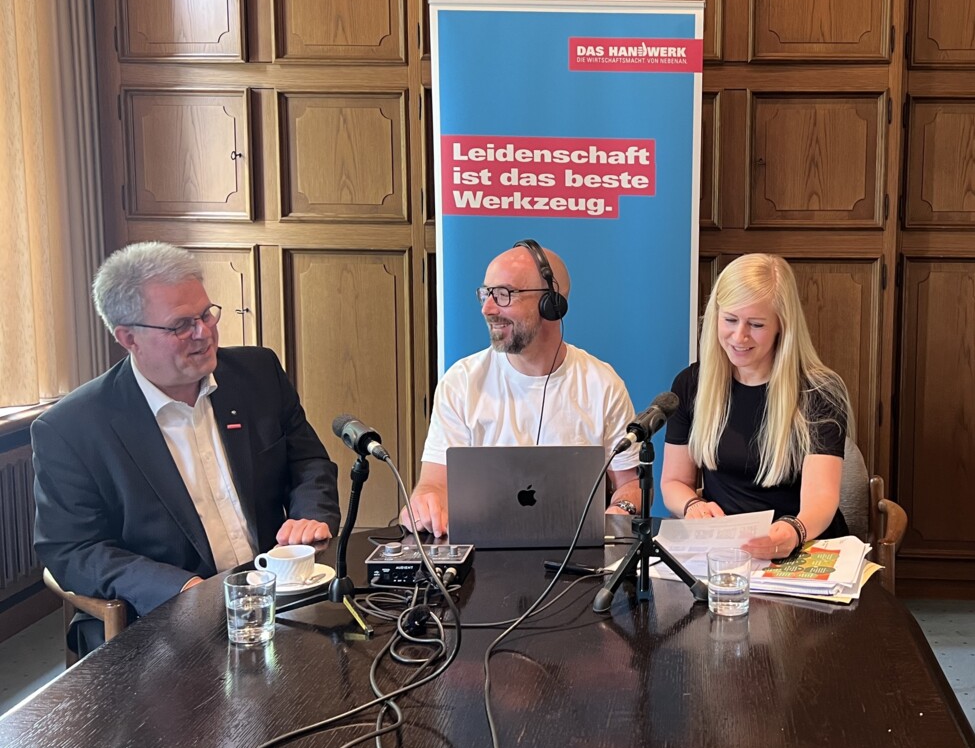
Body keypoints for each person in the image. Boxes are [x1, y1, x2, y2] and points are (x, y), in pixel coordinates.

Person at [32, 242, 341, 654]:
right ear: (128, 338)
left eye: (206, 314)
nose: (205, 333)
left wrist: (309, 516)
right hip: (162, 627)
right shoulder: (72, 428)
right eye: (181, 325)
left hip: (280, 599)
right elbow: (72, 549)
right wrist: (178, 587)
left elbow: (308, 462)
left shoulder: (257, 374)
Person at [399, 240, 641, 537]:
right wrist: (426, 503)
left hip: (577, 557)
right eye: (486, 294)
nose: (488, 308)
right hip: (479, 557)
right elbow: (434, 483)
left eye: (503, 294)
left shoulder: (603, 384)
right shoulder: (461, 382)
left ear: (551, 304)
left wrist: (622, 510)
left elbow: (629, 484)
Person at [661, 253, 854, 561]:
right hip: (724, 550)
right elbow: (674, 482)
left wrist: (792, 532)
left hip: (803, 542)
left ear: (782, 325)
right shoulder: (690, 384)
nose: (739, 336)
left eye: (756, 324)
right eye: (730, 320)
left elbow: (821, 498)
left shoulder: (820, 392)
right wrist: (692, 506)